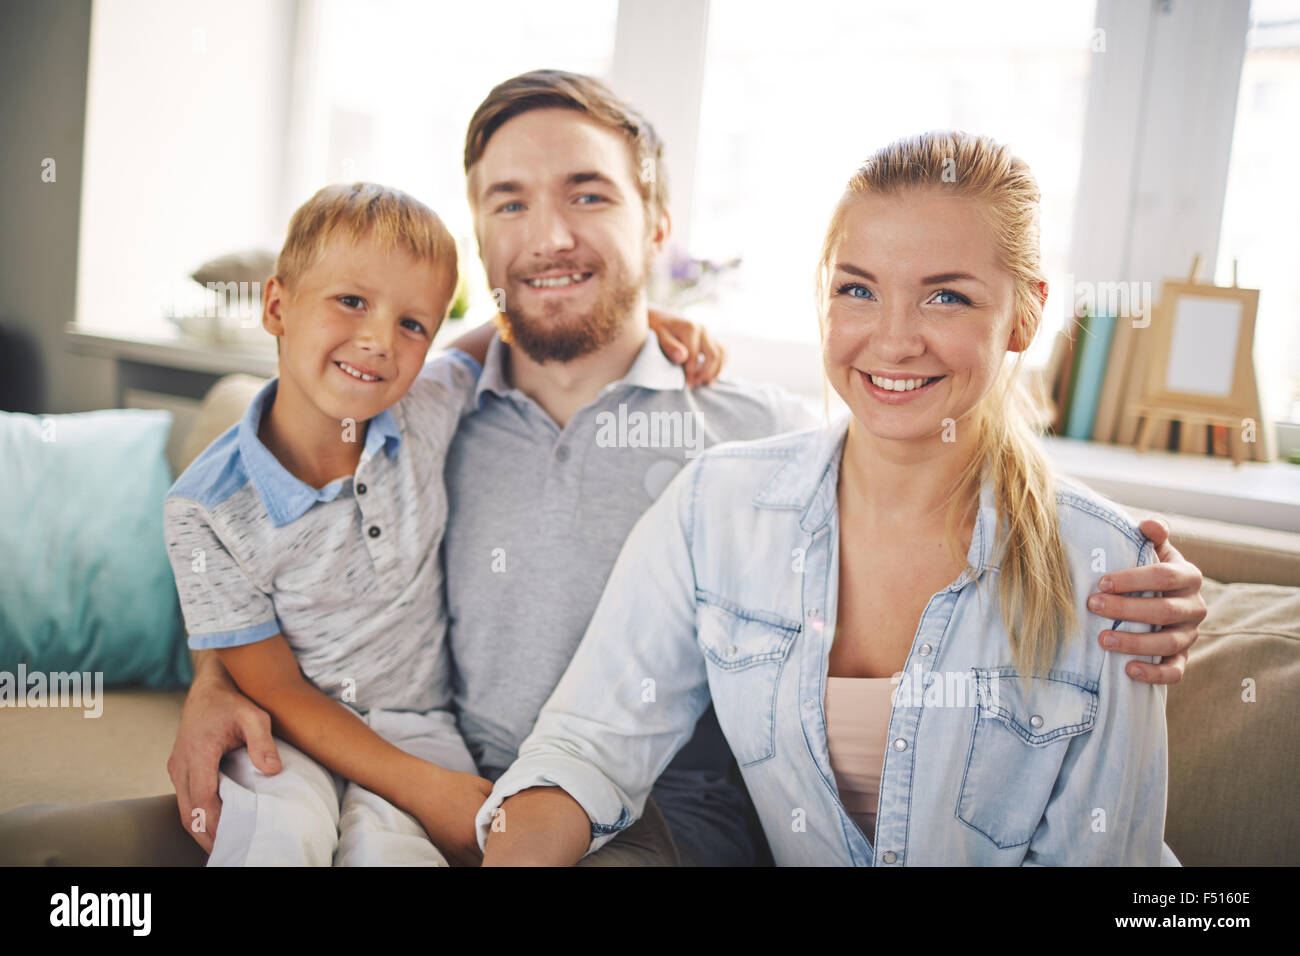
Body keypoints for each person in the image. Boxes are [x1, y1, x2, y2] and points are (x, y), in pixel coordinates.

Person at [0, 73, 1206, 868]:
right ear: (481, 244)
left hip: (662, 826)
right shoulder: (412, 409)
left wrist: (1143, 566)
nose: (551, 233)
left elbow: (939, 436)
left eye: (589, 194)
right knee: (78, 864)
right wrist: (219, 668)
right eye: (509, 204)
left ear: (656, 225)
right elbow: (268, 525)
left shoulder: (751, 436)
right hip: (452, 788)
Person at [477, 131, 1186, 866]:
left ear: (1026, 315)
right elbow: (586, 748)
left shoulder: (1109, 570)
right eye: (858, 290)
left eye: (946, 297)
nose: (893, 340)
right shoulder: (717, 508)